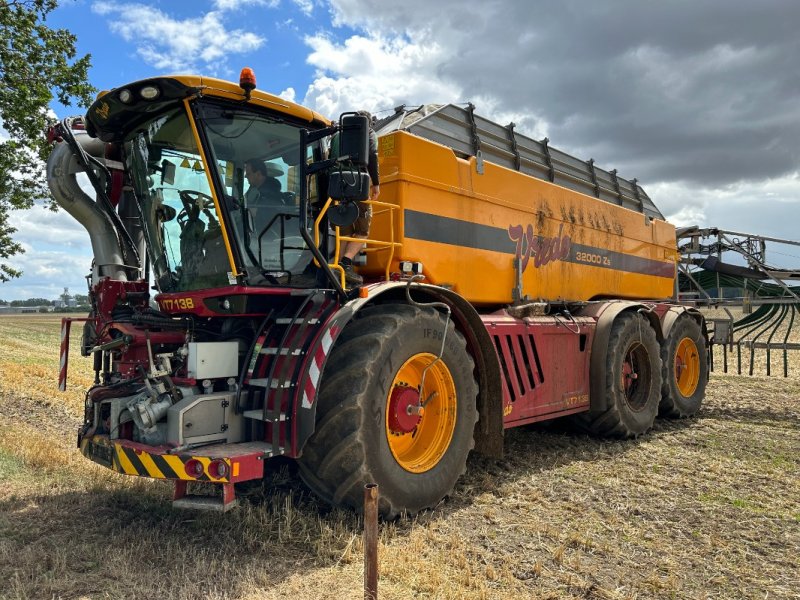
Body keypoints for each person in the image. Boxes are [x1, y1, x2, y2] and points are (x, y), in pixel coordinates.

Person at [333, 110, 380, 286]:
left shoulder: (338, 134)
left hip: (337, 185)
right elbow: (372, 154)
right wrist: (376, 184)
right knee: (362, 231)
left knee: (345, 230)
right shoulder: (367, 131)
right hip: (358, 183)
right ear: (368, 122)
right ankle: (346, 263)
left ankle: (338, 268)